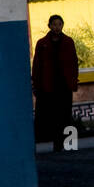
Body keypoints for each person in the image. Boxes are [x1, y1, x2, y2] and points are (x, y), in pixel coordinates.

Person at [31, 14, 79, 151]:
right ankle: (54, 141)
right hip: (48, 84)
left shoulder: (69, 42)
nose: (57, 27)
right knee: (51, 114)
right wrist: (36, 83)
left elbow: (73, 63)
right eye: (54, 24)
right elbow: (37, 65)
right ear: (49, 26)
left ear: (62, 25)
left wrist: (74, 80)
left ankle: (68, 143)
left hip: (64, 83)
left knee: (65, 113)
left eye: (59, 24)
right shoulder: (42, 43)